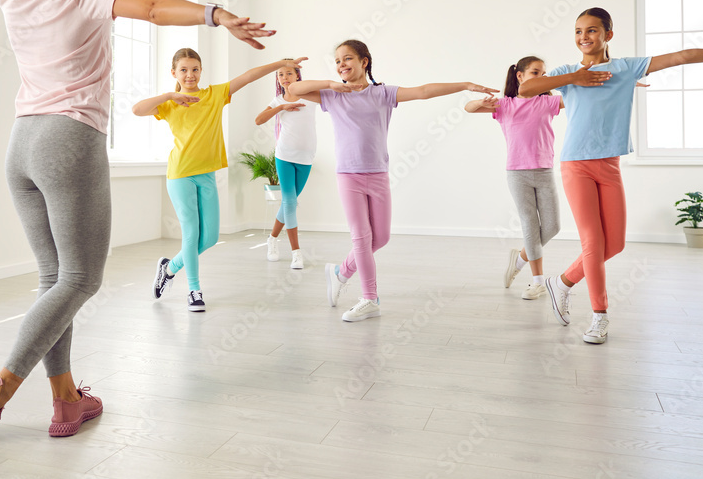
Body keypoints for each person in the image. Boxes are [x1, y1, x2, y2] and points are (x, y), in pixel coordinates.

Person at [0, 0, 274, 440]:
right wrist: (217, 15)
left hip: (22, 144)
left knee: (53, 278)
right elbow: (152, 9)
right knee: (81, 278)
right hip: (69, 139)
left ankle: (66, 402)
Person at [519, 7, 703, 344]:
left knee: (615, 243)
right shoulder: (568, 72)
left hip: (609, 165)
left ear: (608, 34)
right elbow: (527, 89)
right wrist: (573, 78)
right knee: (593, 243)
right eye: (578, 32)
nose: (584, 38)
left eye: (592, 31)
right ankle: (599, 316)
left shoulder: (626, 68)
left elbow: (685, 55)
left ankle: (561, 282)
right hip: (575, 164)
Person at [289, 39, 498, 322]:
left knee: (381, 237)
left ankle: (340, 273)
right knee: (361, 239)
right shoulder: (332, 96)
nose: (341, 65)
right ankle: (369, 297)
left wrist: (464, 85)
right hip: (348, 175)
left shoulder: (383, 94)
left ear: (364, 62)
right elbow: (293, 89)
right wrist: (331, 83)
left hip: (377, 174)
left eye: (347, 58)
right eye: (337, 61)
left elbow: (424, 92)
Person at [134, 51, 304, 312]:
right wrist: (170, 95)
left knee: (210, 237)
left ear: (201, 71)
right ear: (174, 73)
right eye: (183, 70)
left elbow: (247, 77)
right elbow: (137, 110)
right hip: (180, 174)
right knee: (191, 234)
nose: (190, 75)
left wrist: (281, 64)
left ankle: (169, 268)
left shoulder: (214, 94)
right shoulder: (169, 104)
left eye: (194, 69)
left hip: (207, 175)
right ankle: (194, 290)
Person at [466, 56, 562, 301]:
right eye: (535, 73)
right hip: (517, 174)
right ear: (520, 76)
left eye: (544, 74)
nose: (541, 78)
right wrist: (481, 100)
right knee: (530, 224)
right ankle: (538, 282)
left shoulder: (547, 102)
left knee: (552, 226)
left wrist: (616, 84)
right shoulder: (505, 105)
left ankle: (519, 259)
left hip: (544, 171)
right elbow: (469, 108)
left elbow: (580, 98)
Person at [254, 62, 316, 269]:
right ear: (278, 79)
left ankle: (272, 238)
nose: (285, 77)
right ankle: (296, 252)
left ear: (297, 76)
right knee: (290, 203)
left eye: (289, 72)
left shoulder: (310, 96)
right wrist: (281, 107)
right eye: (280, 74)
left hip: (306, 158)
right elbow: (258, 120)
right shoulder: (278, 100)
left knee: (289, 202)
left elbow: (331, 95)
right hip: (285, 156)